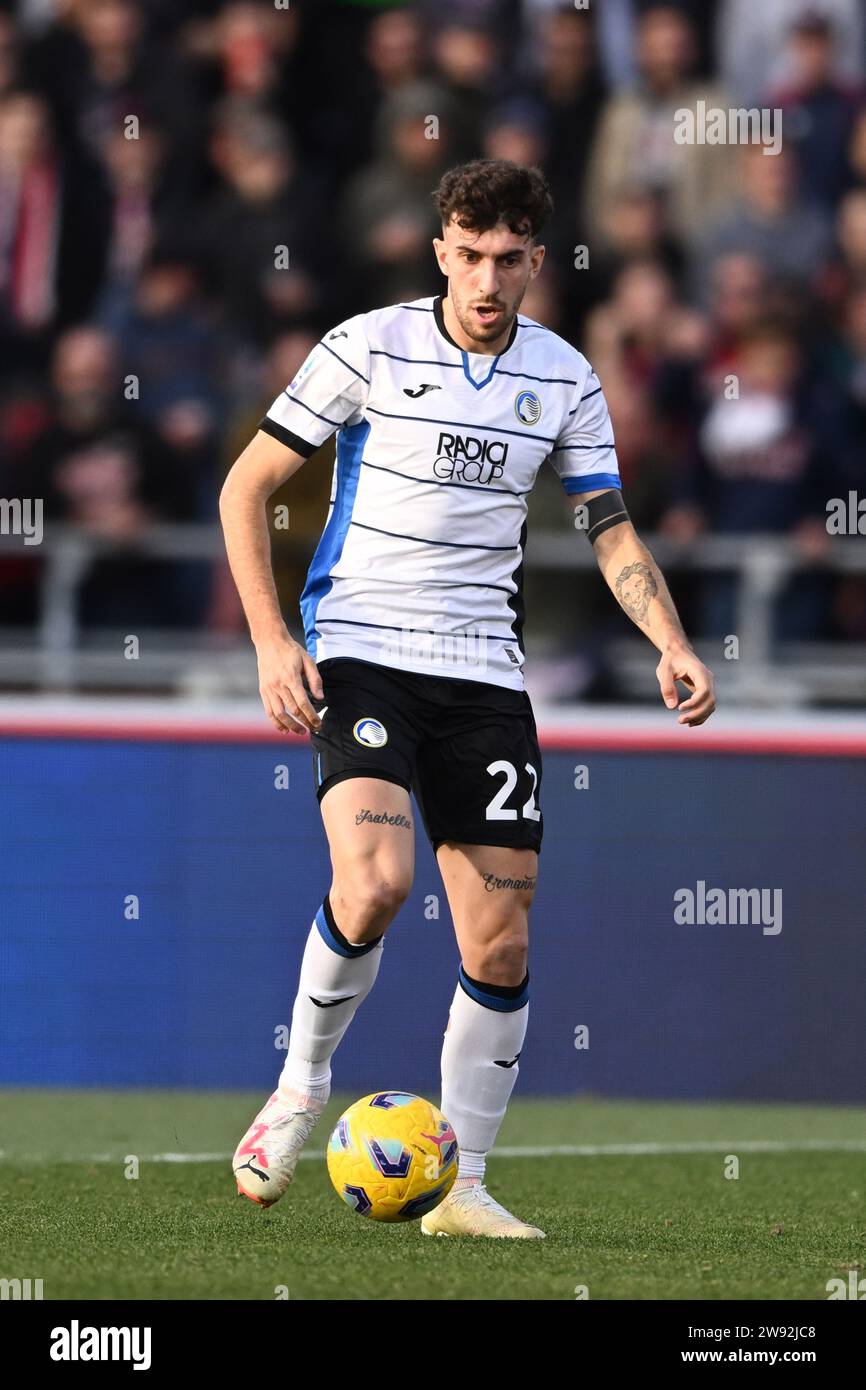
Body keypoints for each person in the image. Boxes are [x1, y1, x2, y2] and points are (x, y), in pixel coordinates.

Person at [219, 158, 716, 1238]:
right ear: (439, 249)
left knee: (497, 945)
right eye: (468, 254)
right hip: (360, 653)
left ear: (535, 261)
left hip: (483, 675)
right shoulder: (365, 346)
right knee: (378, 881)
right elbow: (244, 486)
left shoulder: (564, 377)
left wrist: (670, 640)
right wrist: (270, 642)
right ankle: (299, 1088)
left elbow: (608, 525)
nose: (486, 278)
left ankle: (467, 1187)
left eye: (508, 259)